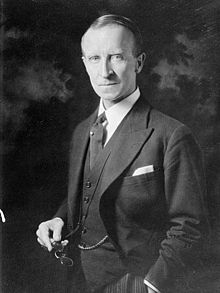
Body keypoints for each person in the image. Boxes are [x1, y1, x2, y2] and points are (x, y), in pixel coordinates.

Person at [36, 14, 208, 293]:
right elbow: (85, 196)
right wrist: (60, 220)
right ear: (84, 63)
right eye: (94, 58)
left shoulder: (172, 135)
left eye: (116, 57)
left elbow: (190, 227)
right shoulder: (82, 131)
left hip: (137, 283)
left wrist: (150, 286)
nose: (104, 72)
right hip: (76, 280)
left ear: (138, 62)